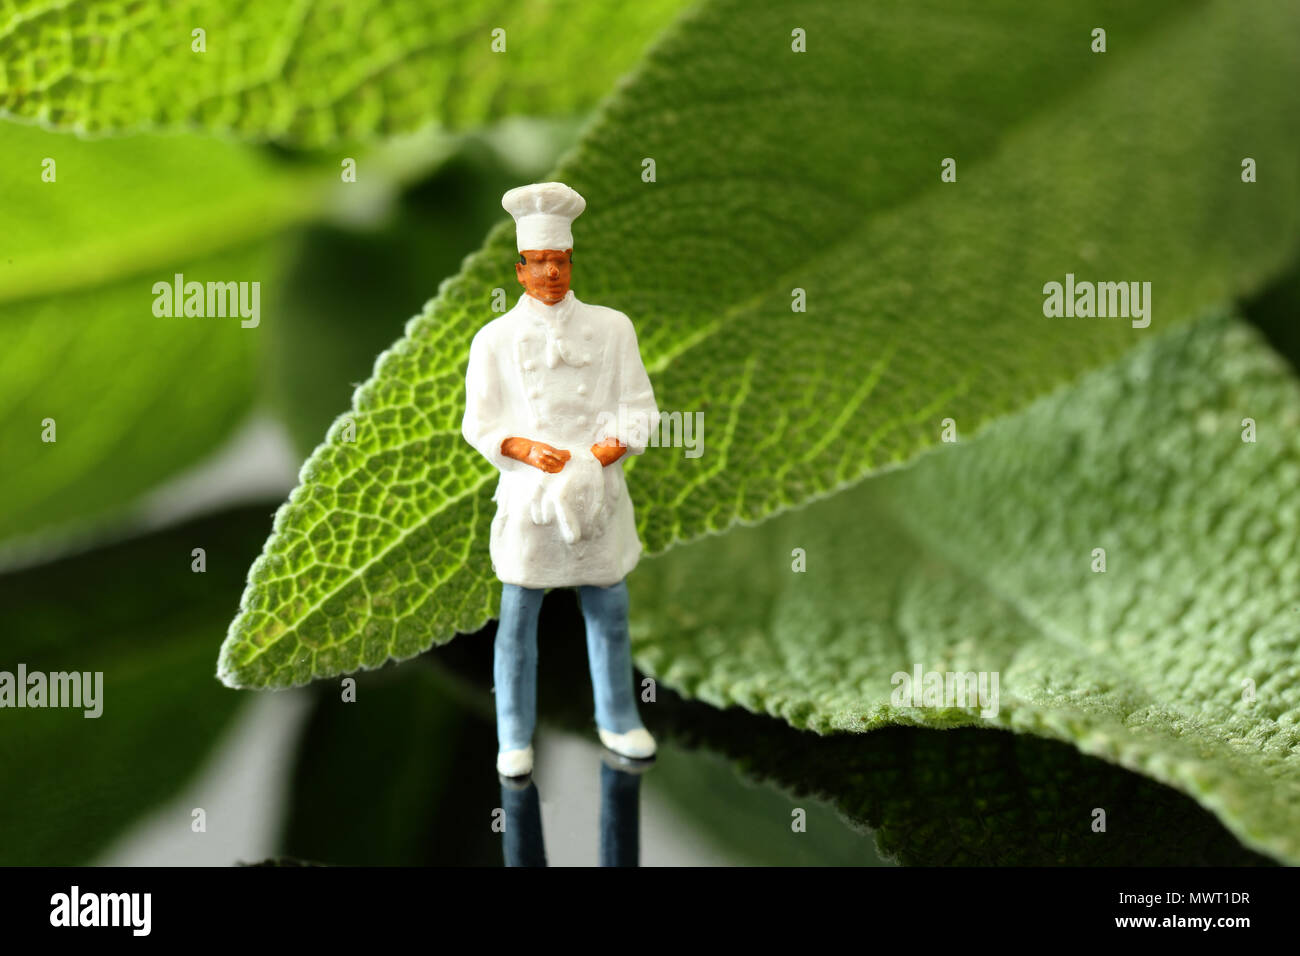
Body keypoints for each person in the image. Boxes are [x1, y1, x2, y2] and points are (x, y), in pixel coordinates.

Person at [462, 182, 660, 777]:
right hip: (530, 499)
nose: (551, 272)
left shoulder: (613, 328)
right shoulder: (493, 340)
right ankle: (515, 736)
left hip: (598, 493)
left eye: (561, 261)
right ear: (520, 269)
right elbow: (480, 423)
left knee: (610, 610)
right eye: (540, 263)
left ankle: (619, 718)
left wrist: (601, 453)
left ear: (571, 263)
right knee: (519, 619)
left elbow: (641, 410)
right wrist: (523, 447)